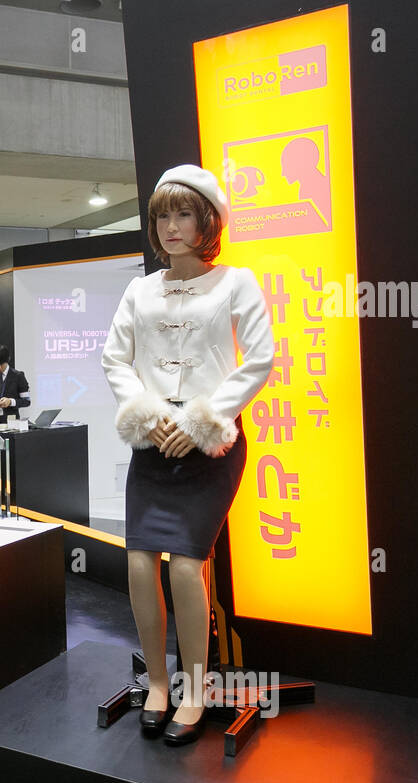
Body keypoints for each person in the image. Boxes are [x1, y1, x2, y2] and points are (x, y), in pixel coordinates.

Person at [101, 164, 274, 747]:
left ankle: (195, 690)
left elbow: (260, 359)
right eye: (162, 216)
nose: (171, 226)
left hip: (210, 447)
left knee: (184, 564)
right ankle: (156, 681)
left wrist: (201, 419)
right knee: (136, 560)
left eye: (184, 214)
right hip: (151, 445)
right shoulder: (139, 289)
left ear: (208, 221)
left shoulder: (236, 282)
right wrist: (150, 416)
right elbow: (114, 359)